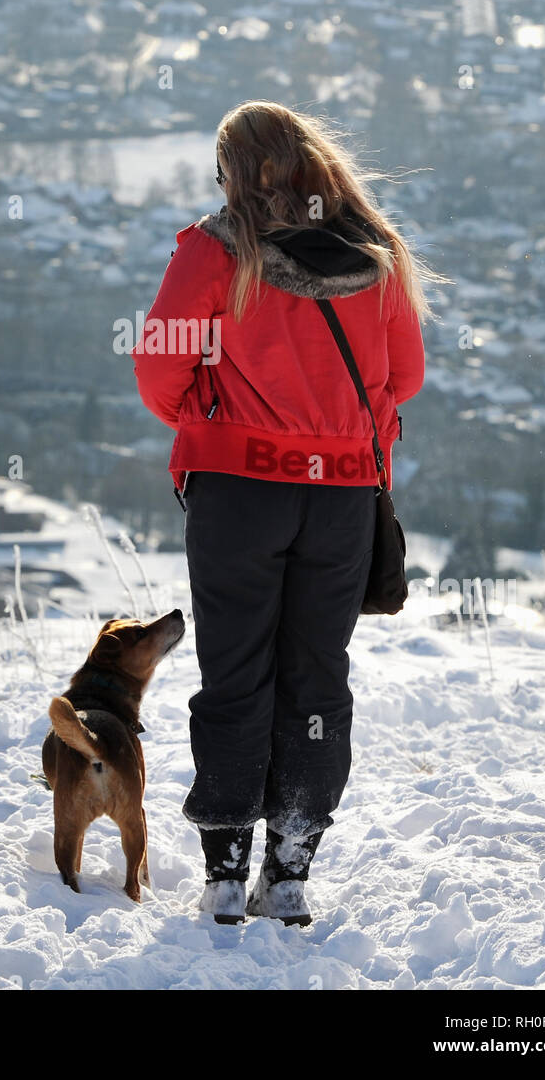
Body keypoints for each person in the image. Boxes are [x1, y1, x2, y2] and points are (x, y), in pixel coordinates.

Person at [131, 100, 434, 927]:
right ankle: (291, 869)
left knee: (235, 674)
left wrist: (212, 415)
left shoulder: (214, 249)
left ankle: (225, 875)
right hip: (338, 500)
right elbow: (401, 380)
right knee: (315, 676)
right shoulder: (374, 254)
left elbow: (160, 366)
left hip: (238, 489)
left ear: (233, 171)